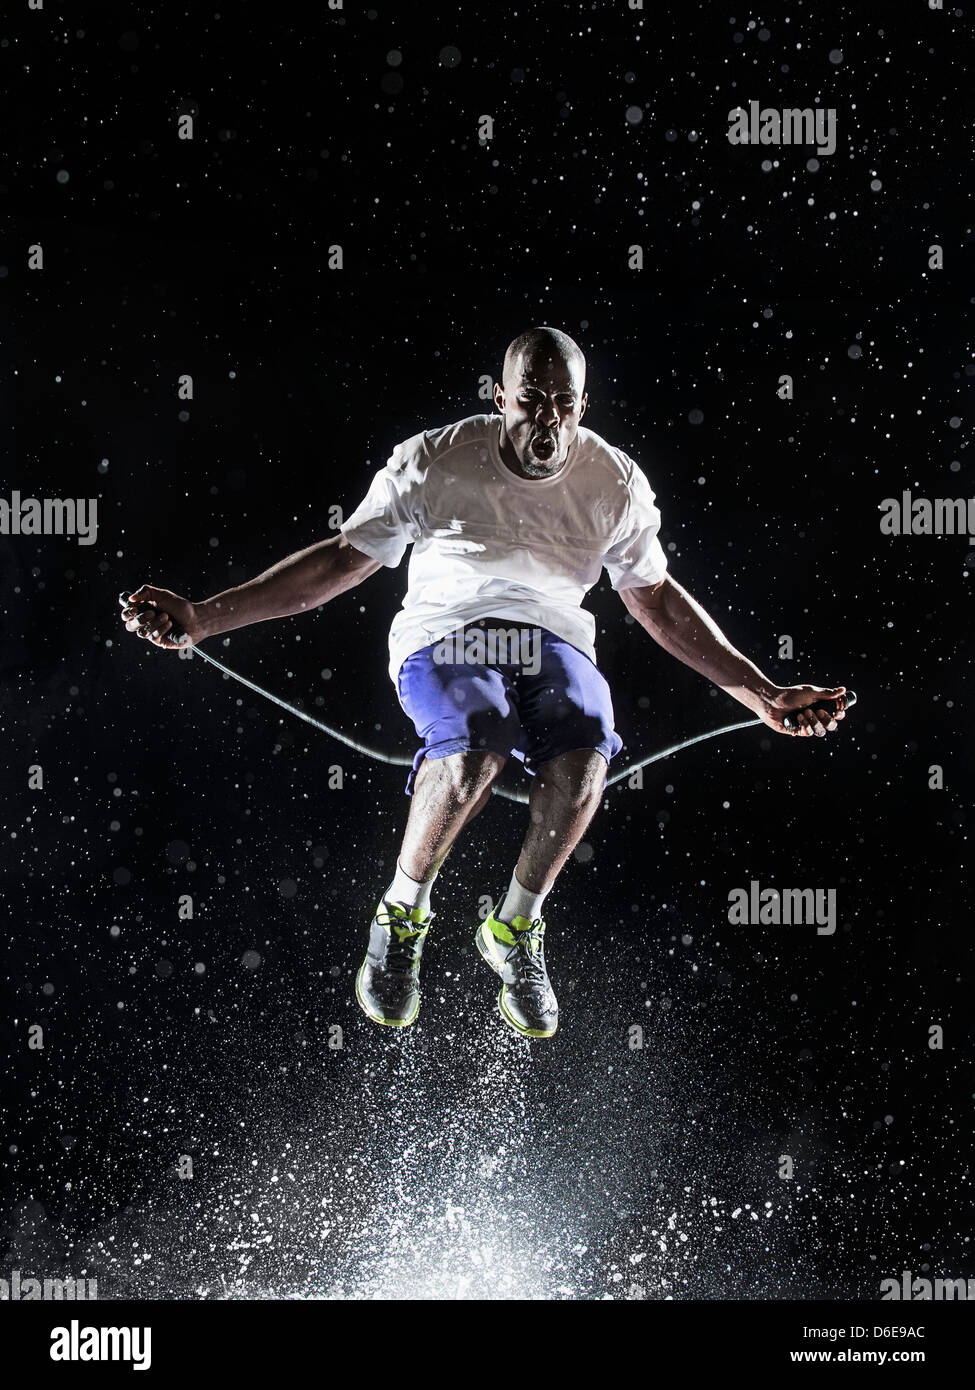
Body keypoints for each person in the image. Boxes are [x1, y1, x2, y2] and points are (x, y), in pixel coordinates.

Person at [119, 326, 848, 1040]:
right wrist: (205, 618)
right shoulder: (435, 461)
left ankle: (514, 929)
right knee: (475, 744)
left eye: (563, 403)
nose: (547, 419)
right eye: (531, 399)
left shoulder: (614, 482)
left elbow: (655, 600)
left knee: (587, 751)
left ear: (583, 406)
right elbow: (341, 560)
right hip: (450, 628)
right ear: (500, 398)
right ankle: (401, 915)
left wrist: (763, 693)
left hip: (550, 637)